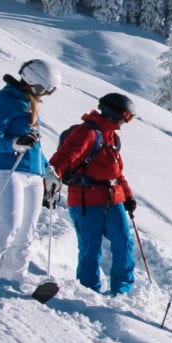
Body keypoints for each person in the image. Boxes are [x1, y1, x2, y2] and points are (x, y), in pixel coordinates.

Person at [0, 59, 57, 283]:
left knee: (26, 232)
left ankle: (14, 277)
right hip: (7, 169)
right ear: (31, 80)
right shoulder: (2, 102)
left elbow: (34, 144)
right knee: (8, 225)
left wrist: (48, 170)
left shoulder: (30, 103)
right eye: (43, 89)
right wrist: (13, 143)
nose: (44, 95)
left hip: (33, 173)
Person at [51, 93, 139, 294]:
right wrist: (52, 176)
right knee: (91, 247)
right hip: (85, 200)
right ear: (115, 113)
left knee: (124, 242)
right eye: (126, 117)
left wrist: (128, 195)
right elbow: (64, 157)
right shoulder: (87, 133)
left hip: (112, 198)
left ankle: (122, 290)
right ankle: (88, 290)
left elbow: (116, 172)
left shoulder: (112, 137)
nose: (126, 122)